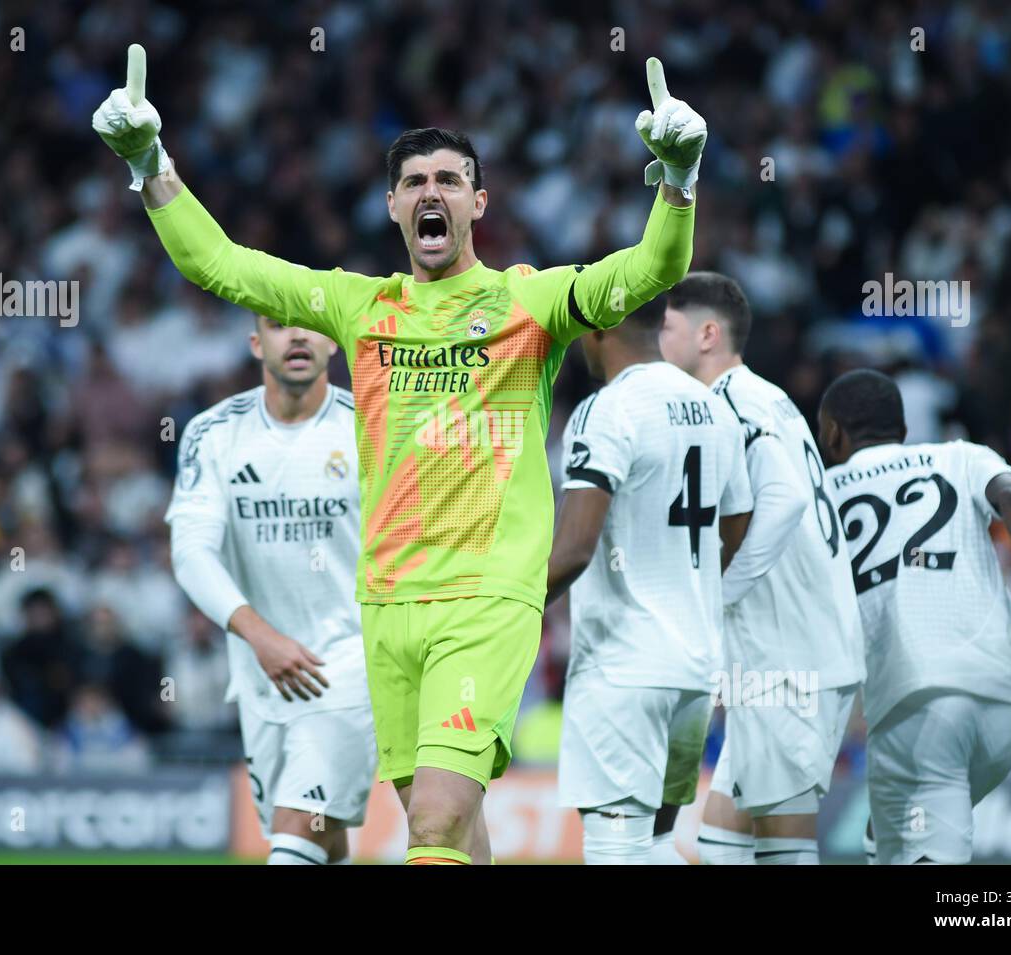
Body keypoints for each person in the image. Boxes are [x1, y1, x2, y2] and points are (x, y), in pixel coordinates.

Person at [96, 47, 706, 863]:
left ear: (478, 201)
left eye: (449, 180)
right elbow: (219, 265)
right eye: (415, 182)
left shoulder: (525, 302)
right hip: (384, 604)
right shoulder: (360, 305)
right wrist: (148, 164)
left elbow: (651, 270)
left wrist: (678, 182)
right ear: (392, 206)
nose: (431, 193)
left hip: (486, 598)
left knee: (434, 825)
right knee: (448, 825)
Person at [818, 369, 1011, 864]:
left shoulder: (822, 491)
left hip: (921, 706)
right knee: (887, 839)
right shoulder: (958, 454)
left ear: (832, 434)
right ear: (902, 432)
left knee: (924, 843)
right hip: (1006, 710)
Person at [659, 273, 863, 865]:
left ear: (707, 335)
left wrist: (719, 594)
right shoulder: (767, 398)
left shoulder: (733, 402)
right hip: (789, 653)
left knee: (780, 838)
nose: (659, 341)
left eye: (669, 329)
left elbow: (785, 500)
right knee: (726, 834)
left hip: (791, 658)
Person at [547, 302, 752, 863]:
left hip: (624, 668)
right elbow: (738, 521)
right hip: (693, 667)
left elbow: (574, 549)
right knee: (655, 843)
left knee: (618, 851)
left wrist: (507, 610)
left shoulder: (604, 410)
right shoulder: (715, 410)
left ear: (599, 330)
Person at [165, 316, 371, 865]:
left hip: (352, 662)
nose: (297, 338)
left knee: (296, 828)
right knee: (319, 833)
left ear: (333, 340)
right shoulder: (214, 433)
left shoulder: (371, 426)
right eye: (280, 326)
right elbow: (190, 552)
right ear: (257, 344)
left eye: (310, 327)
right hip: (261, 671)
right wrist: (261, 637)